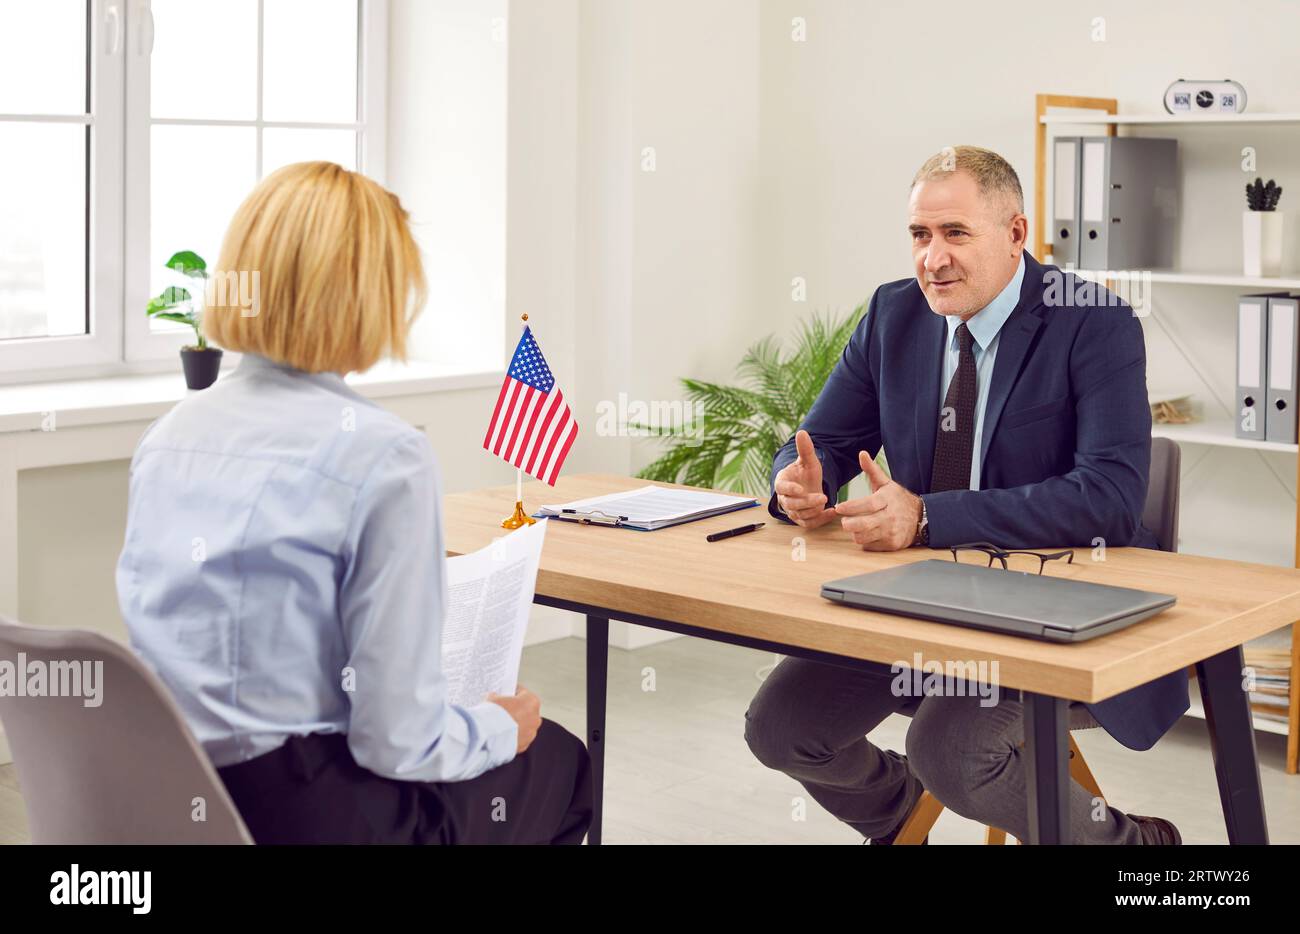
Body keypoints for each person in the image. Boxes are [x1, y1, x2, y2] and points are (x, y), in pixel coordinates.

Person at [116, 161, 591, 844]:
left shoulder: (169, 437)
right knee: (560, 760)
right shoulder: (383, 455)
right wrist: (495, 728)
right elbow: (396, 742)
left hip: (175, 796)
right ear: (368, 296)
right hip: (308, 815)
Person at [744, 146, 1184, 845]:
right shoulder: (894, 314)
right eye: (920, 235)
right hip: (918, 599)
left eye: (955, 234)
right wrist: (798, 482)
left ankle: (1135, 849)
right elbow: (819, 441)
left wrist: (927, 517)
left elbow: (1110, 498)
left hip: (1050, 601)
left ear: (1015, 234)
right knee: (782, 729)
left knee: (952, 751)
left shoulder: (1093, 322)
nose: (933, 258)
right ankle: (896, 808)